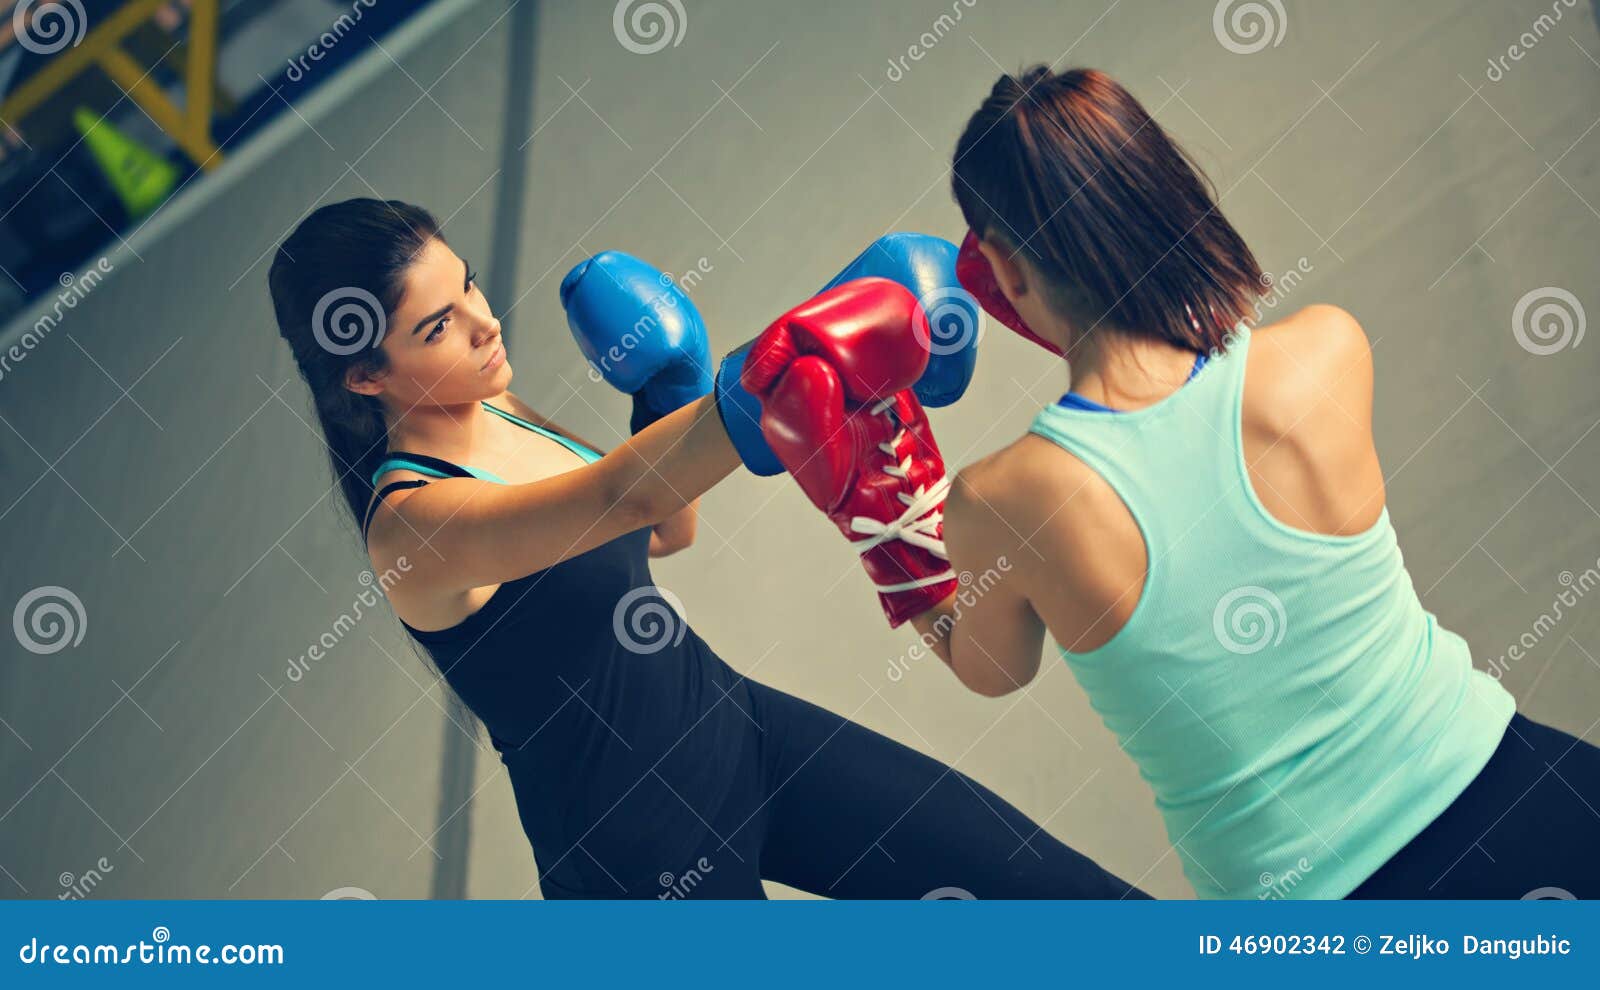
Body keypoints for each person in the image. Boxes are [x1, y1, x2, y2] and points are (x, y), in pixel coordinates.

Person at [745, 66, 1598, 900]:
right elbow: (1196, 385)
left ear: (1003, 272)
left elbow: (990, 669)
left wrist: (879, 514)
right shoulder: (1325, 350)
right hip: (1538, 792)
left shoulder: (1003, 501)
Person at [267, 197, 1145, 900]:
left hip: (735, 730)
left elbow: (659, 527)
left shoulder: (496, 408)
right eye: (437, 328)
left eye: (469, 290)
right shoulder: (412, 526)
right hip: (635, 858)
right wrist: (783, 361)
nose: (485, 324)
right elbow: (621, 492)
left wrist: (671, 387)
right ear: (364, 375)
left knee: (1050, 892)